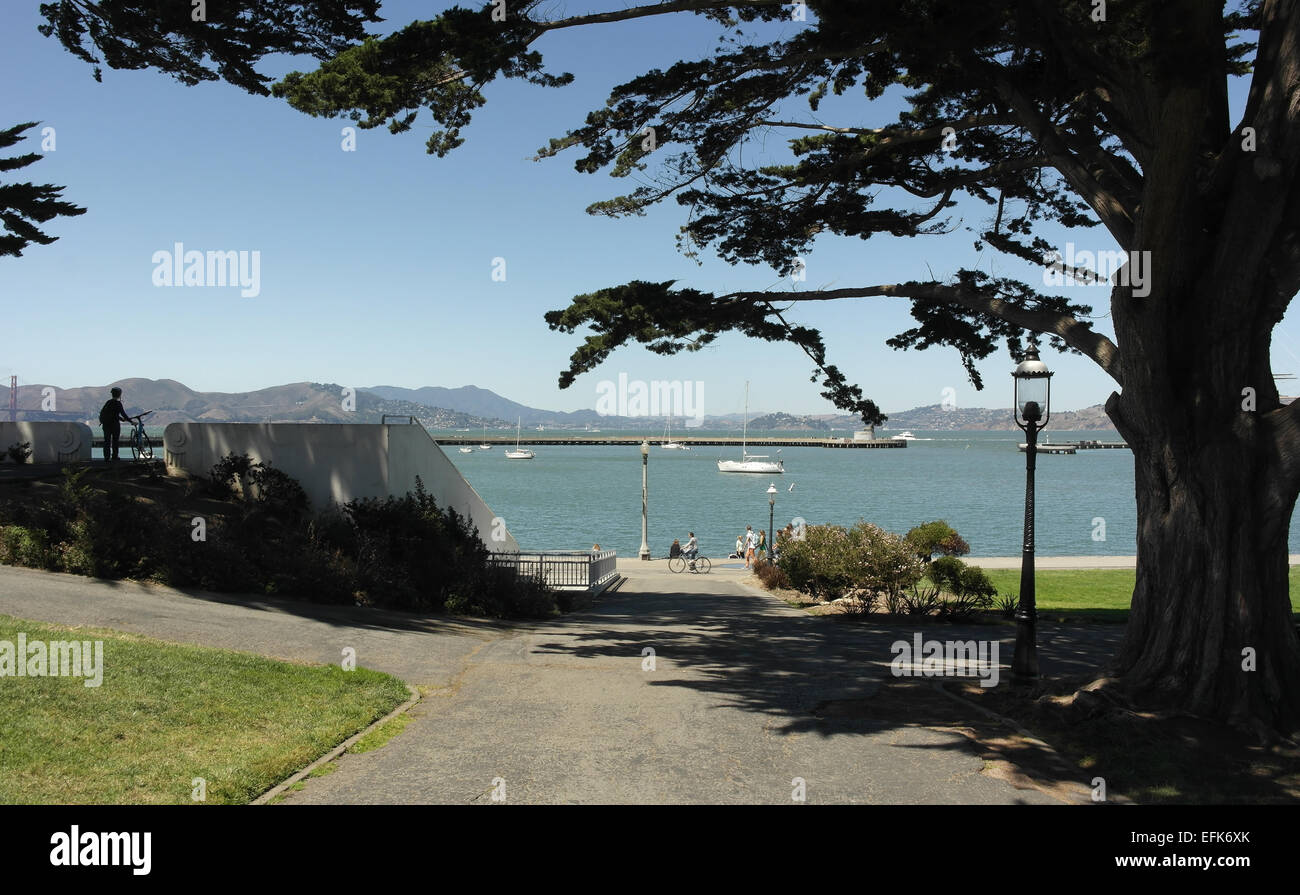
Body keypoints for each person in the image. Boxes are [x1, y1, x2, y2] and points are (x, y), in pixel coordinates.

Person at [97, 387, 133, 462]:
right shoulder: (118, 403)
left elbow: (111, 413)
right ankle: (114, 456)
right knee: (115, 440)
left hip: (106, 424)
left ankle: (106, 457)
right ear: (119, 394)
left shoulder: (108, 402)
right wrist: (131, 421)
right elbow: (123, 414)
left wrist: (120, 418)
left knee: (107, 441)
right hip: (114, 424)